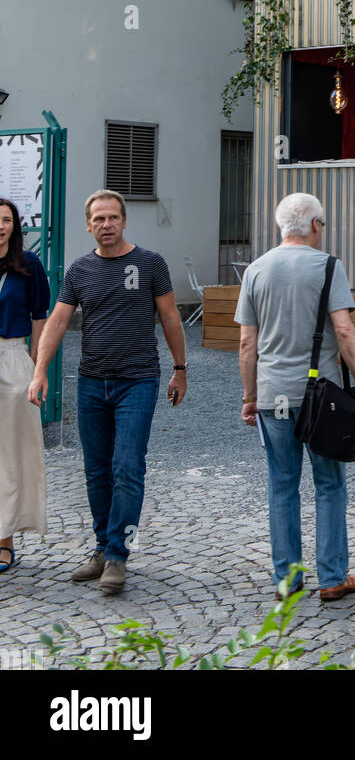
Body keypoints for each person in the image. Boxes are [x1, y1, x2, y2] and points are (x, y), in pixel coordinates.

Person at [28, 190, 187, 594]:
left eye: (113, 217)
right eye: (98, 219)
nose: (106, 224)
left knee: (128, 468)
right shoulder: (80, 271)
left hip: (138, 381)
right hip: (92, 383)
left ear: (124, 220)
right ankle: (102, 547)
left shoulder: (150, 263)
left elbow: (170, 317)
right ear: (88, 225)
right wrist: (40, 370)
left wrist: (180, 369)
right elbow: (58, 323)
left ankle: (120, 553)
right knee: (97, 471)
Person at [236, 192, 355, 601]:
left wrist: (250, 395)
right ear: (315, 225)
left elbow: (247, 343)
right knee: (330, 485)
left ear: (282, 226)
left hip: (273, 395)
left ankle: (287, 580)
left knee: (282, 486)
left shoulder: (256, 270)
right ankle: (332, 577)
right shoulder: (329, 267)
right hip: (321, 398)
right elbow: (345, 332)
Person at [0, 197, 50, 572]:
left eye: (6, 220)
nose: (0, 225)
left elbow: (40, 319)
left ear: (15, 226)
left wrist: (37, 369)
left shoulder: (29, 266)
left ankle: (5, 540)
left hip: (13, 360)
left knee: (10, 456)